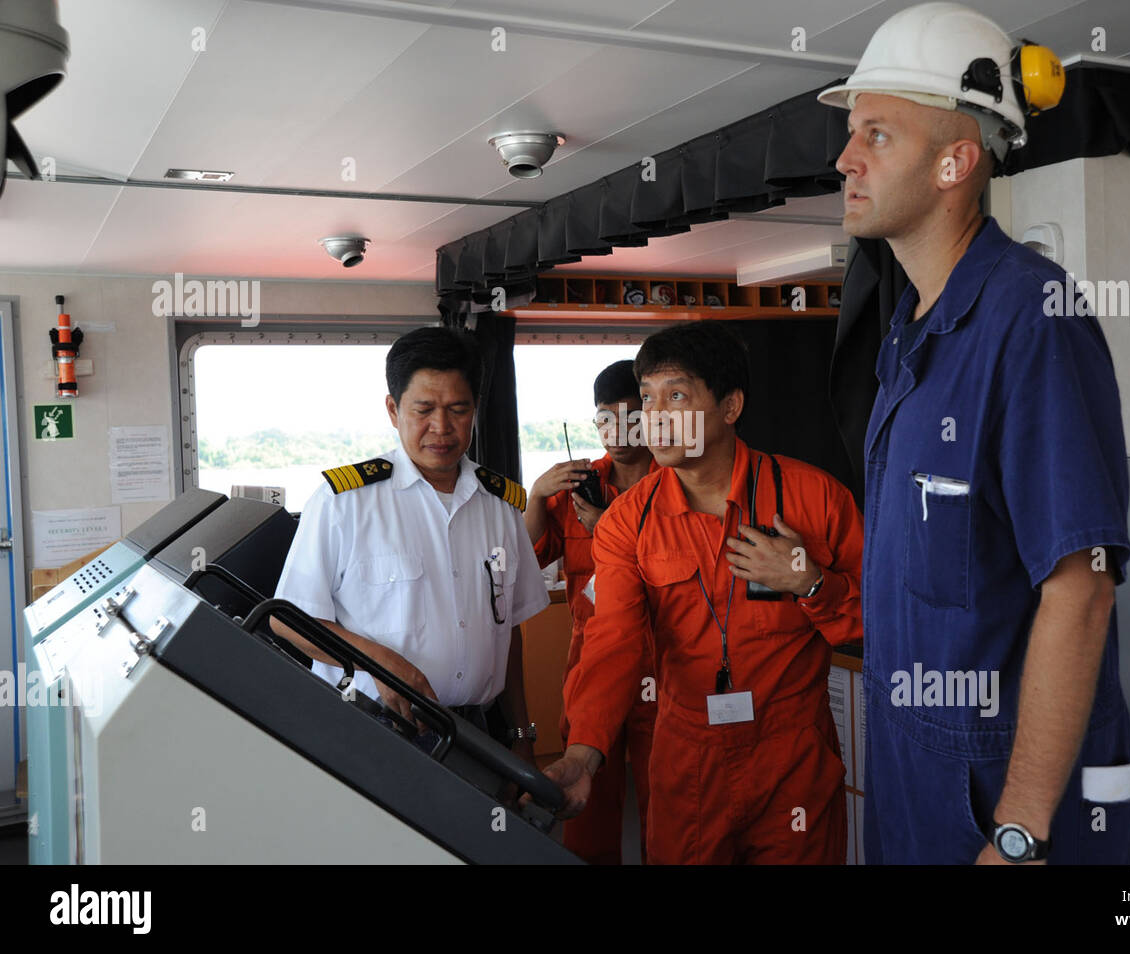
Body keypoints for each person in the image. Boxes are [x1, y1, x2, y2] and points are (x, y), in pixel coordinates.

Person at [818, 2, 1130, 864]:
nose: (845, 158)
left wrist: (1021, 828)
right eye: (852, 133)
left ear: (956, 160)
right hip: (914, 780)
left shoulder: (1033, 319)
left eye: (877, 134)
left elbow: (1083, 587)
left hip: (1001, 802)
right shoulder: (908, 333)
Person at [538, 321, 864, 864]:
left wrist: (808, 579)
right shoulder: (628, 521)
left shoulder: (813, 497)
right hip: (687, 761)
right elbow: (612, 641)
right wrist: (582, 753)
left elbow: (884, 621)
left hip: (792, 758)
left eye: (677, 396)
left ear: (731, 406)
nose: (656, 417)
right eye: (647, 398)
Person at [272, 326, 550, 757]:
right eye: (424, 409)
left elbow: (508, 631)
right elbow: (288, 619)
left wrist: (520, 736)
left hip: (476, 735)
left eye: (458, 409)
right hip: (369, 726)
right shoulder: (345, 502)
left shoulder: (501, 505)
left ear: (476, 408)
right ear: (392, 408)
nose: (441, 427)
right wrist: (375, 660)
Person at [525, 359, 658, 864]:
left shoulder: (675, 481)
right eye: (606, 418)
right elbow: (530, 556)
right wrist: (538, 494)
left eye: (631, 417)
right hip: (591, 656)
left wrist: (607, 527)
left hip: (660, 658)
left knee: (663, 791)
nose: (618, 432)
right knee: (586, 795)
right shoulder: (579, 481)